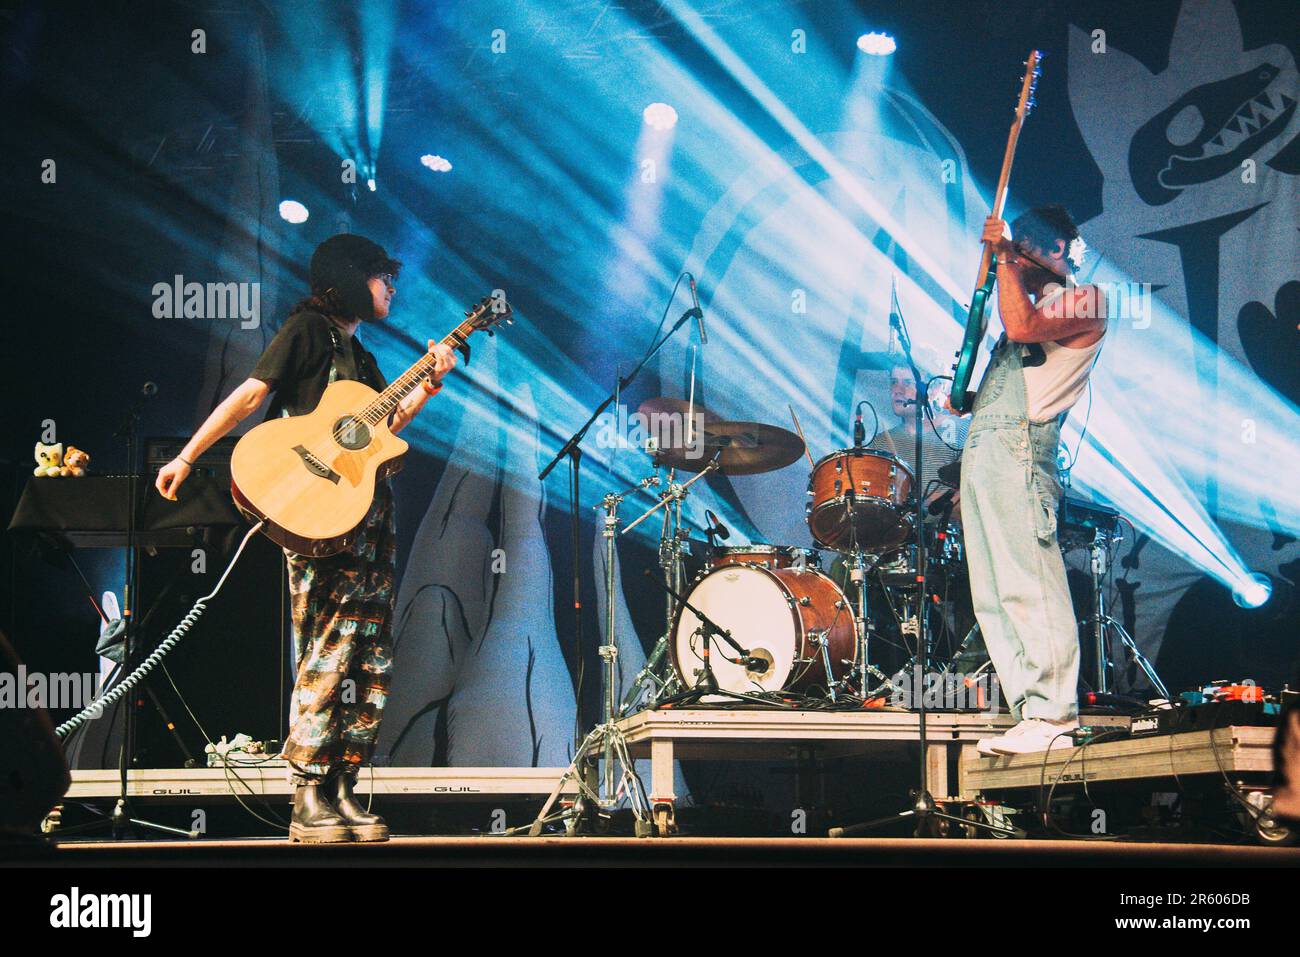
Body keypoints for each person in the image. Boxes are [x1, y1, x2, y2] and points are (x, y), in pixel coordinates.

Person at [154, 234, 457, 842]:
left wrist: (427, 381)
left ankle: (343, 785)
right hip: (318, 511)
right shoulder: (307, 331)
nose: (391, 287)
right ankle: (306, 792)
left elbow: (384, 430)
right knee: (325, 645)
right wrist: (190, 455)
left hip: (367, 513)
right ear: (348, 278)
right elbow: (251, 396)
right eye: (381, 276)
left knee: (369, 652)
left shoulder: (363, 356)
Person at [956, 205, 1107, 756]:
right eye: (1015, 250)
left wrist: (1002, 260)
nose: (1017, 259)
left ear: (1059, 250)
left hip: (1021, 449)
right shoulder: (1029, 301)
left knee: (1028, 578)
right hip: (988, 451)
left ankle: (1054, 713)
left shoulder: (1088, 300)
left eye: (1027, 249)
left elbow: (1022, 327)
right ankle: (1030, 713)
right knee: (993, 591)